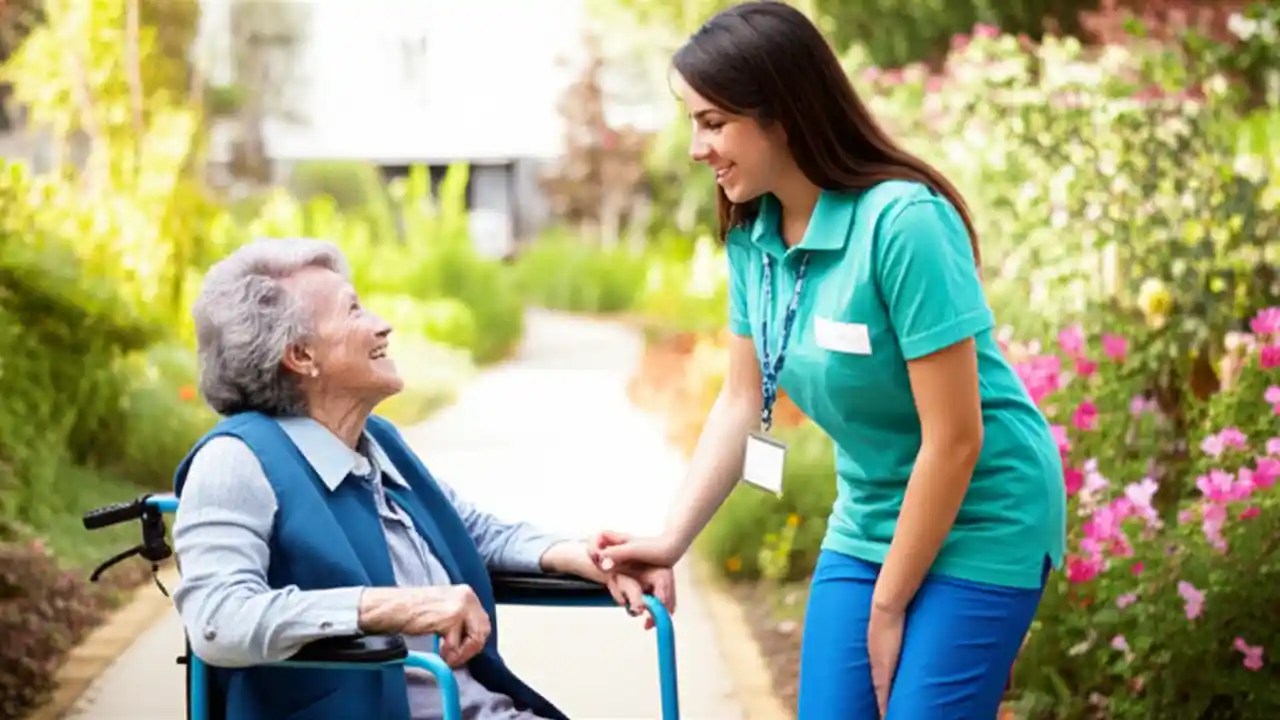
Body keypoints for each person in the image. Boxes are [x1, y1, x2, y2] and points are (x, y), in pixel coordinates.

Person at [590, 2, 1067, 718]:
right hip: (871, 518)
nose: (696, 148)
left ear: (782, 113)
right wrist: (670, 539)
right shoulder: (753, 235)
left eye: (713, 122)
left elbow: (956, 439)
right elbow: (741, 400)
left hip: (984, 515)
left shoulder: (904, 224)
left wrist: (890, 604)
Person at [171, 237, 674, 720]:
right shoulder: (235, 462)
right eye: (354, 311)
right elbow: (217, 619)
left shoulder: (375, 441)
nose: (382, 325)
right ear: (301, 356)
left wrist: (589, 557)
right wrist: (396, 608)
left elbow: (471, 531)